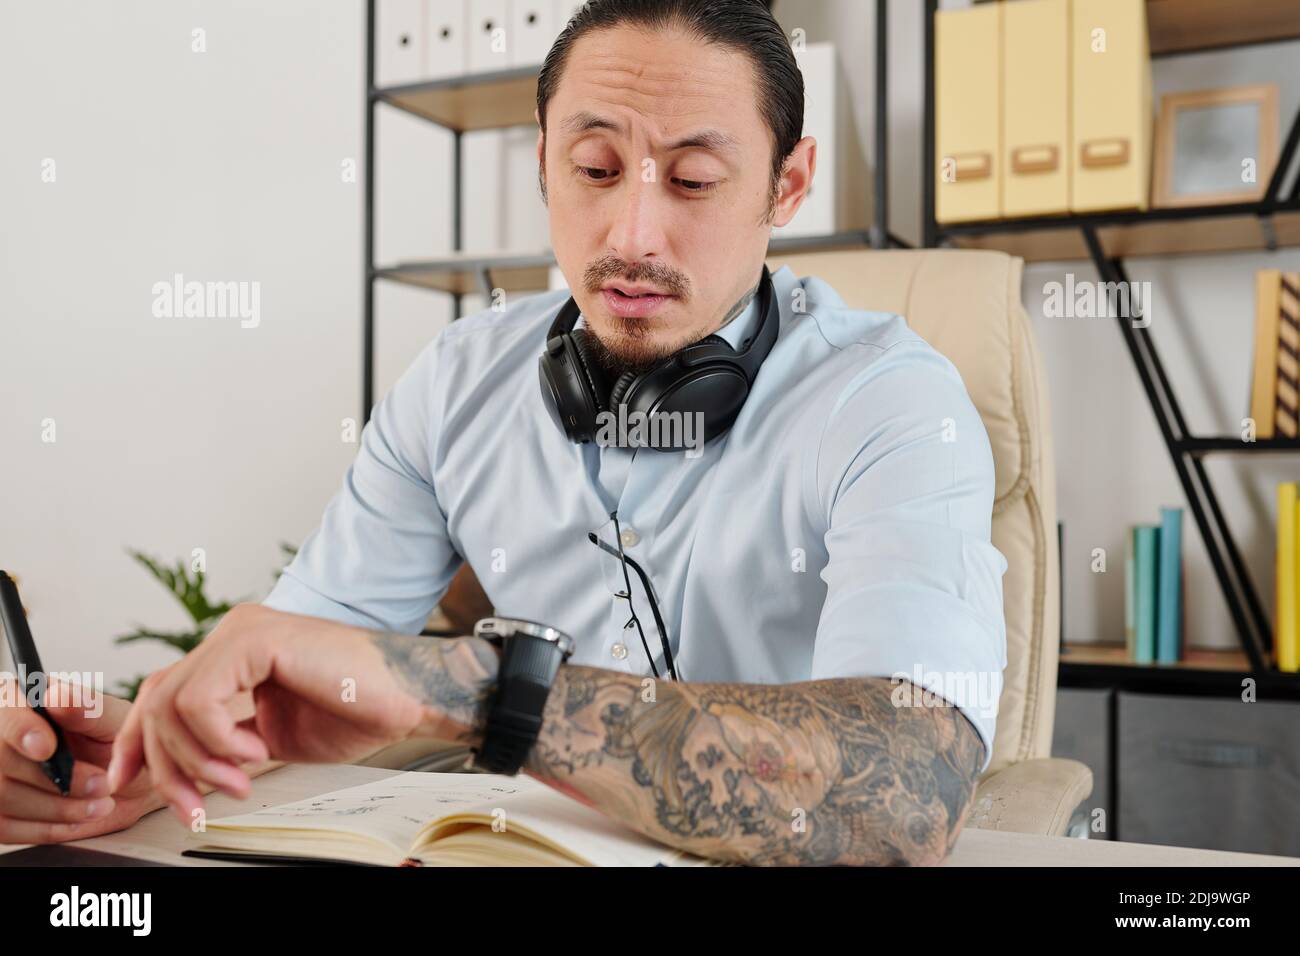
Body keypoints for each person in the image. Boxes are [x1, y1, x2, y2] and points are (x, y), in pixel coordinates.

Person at [1, 0, 1007, 866]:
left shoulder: (889, 399)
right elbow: (296, 673)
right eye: (594, 167)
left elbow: (906, 782)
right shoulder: (457, 380)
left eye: (693, 180)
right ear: (541, 164)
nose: (631, 235)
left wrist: (487, 690)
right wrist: (139, 750)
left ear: (787, 185)